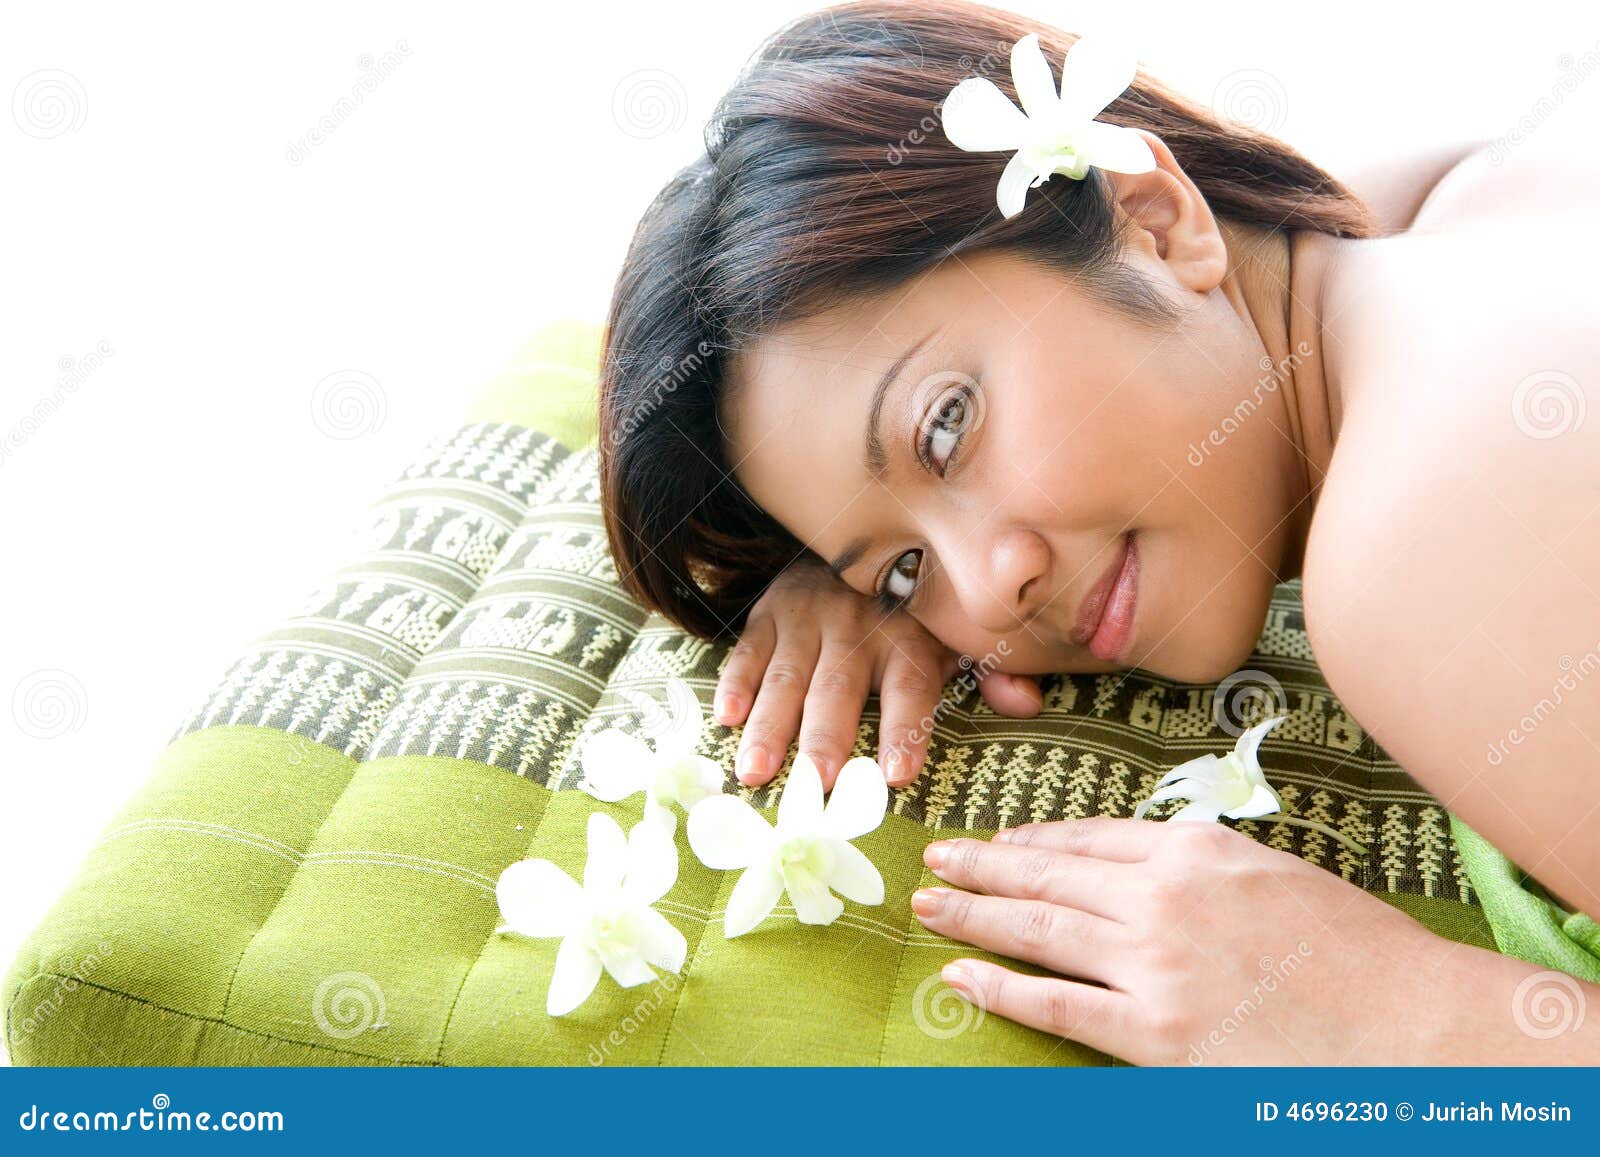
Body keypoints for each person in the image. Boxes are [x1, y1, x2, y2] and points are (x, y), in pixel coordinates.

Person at [596, 0, 1600, 1061]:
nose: (987, 596)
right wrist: (827, 565)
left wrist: (1408, 1022)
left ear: (1158, 219)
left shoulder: (1415, 544)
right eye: (904, 570)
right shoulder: (1442, 203)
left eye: (947, 423)